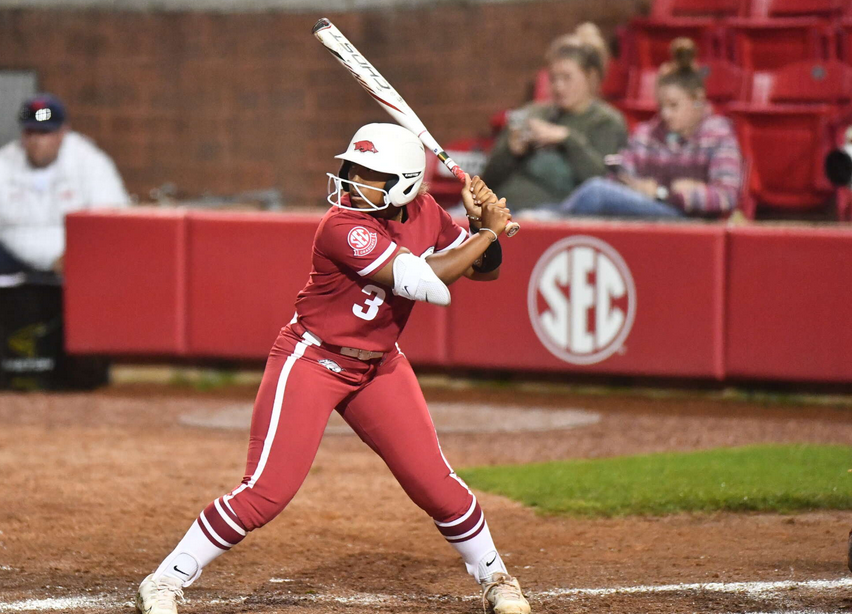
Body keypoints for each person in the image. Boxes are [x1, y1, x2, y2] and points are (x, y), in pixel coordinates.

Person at [134, 123, 530, 614]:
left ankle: (496, 578)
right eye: (353, 169)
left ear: (405, 183)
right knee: (266, 493)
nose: (351, 181)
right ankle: (166, 580)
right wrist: (488, 227)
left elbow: (484, 270)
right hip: (313, 359)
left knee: (436, 484)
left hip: (379, 365)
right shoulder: (341, 225)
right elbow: (423, 282)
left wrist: (478, 228)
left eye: (369, 174)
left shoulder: (425, 211)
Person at [0, 94, 130, 389]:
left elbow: (110, 223)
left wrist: (79, 253)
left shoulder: (89, 162)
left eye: (45, 133)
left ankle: (90, 363)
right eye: (30, 132)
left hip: (71, 254)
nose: (36, 141)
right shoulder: (1, 163)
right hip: (12, 251)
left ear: (62, 132)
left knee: (105, 267)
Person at [550, 38, 743, 218]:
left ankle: (551, 223)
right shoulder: (647, 134)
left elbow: (727, 195)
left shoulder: (718, 135)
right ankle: (543, 218)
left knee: (596, 191)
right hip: (646, 214)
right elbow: (618, 176)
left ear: (697, 101)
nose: (666, 114)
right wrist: (637, 186)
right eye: (661, 106)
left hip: (690, 222)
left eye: (674, 106)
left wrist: (667, 194)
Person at [482, 23, 628, 210]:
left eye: (567, 78)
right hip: (496, 207)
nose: (558, 87)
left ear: (591, 77)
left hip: (554, 213)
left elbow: (602, 187)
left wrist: (567, 139)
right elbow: (487, 180)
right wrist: (510, 150)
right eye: (553, 79)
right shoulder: (534, 113)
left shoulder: (606, 122)